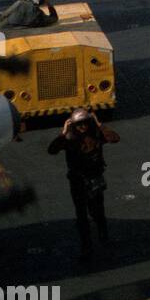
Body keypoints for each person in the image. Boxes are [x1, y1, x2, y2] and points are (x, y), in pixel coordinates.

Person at [48, 107, 120, 261]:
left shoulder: (96, 134)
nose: (82, 127)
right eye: (79, 124)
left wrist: (100, 125)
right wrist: (63, 132)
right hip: (78, 182)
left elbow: (114, 138)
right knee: (81, 216)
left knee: (97, 211)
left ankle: (102, 232)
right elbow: (52, 150)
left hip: (94, 179)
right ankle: (86, 246)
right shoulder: (69, 139)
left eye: (85, 123)